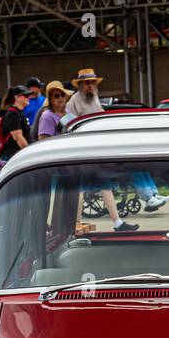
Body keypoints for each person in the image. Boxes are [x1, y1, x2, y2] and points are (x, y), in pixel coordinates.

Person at [66, 68, 138, 231]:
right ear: (81, 85)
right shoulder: (74, 101)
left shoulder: (94, 98)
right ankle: (76, 223)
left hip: (94, 148)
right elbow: (68, 124)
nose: (90, 86)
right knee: (80, 190)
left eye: (92, 82)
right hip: (81, 149)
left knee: (104, 185)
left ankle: (117, 222)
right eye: (87, 83)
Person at [0, 85, 28, 161]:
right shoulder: (12, 114)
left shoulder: (18, 112)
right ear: (16, 97)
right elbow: (18, 137)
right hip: (13, 156)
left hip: (16, 154)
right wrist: (29, 152)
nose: (28, 97)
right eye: (25, 95)